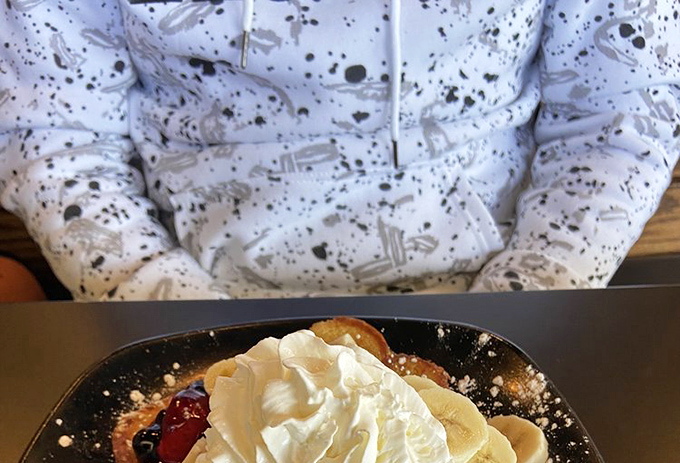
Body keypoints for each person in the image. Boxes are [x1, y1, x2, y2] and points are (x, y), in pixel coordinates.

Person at [0, 0, 678, 302]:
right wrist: (177, 316)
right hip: (187, 291)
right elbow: (52, 131)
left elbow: (619, 111)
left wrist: (522, 308)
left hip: (493, 287)